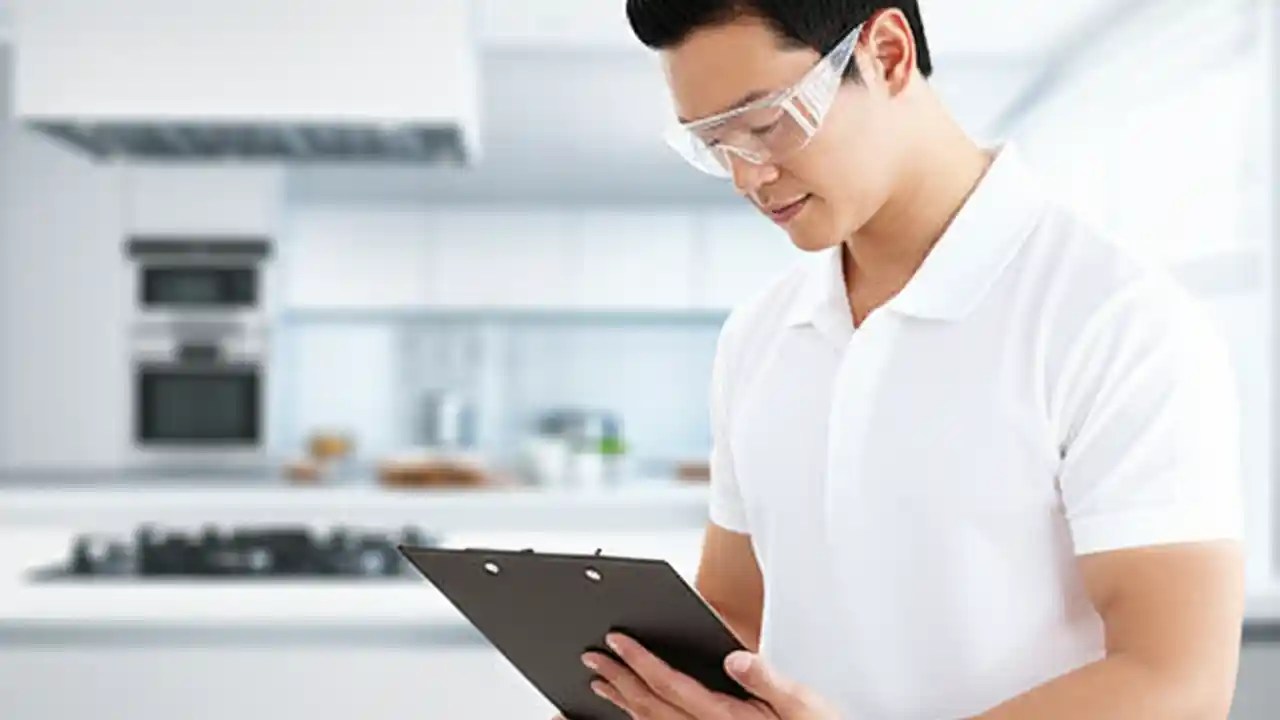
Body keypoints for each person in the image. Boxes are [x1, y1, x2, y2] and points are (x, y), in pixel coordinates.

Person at [567, 1, 1247, 718]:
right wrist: (637, 690)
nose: (748, 178)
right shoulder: (760, 336)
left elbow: (1176, 683)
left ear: (886, 54)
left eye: (768, 125)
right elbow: (739, 610)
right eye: (716, 145)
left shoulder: (1115, 320)